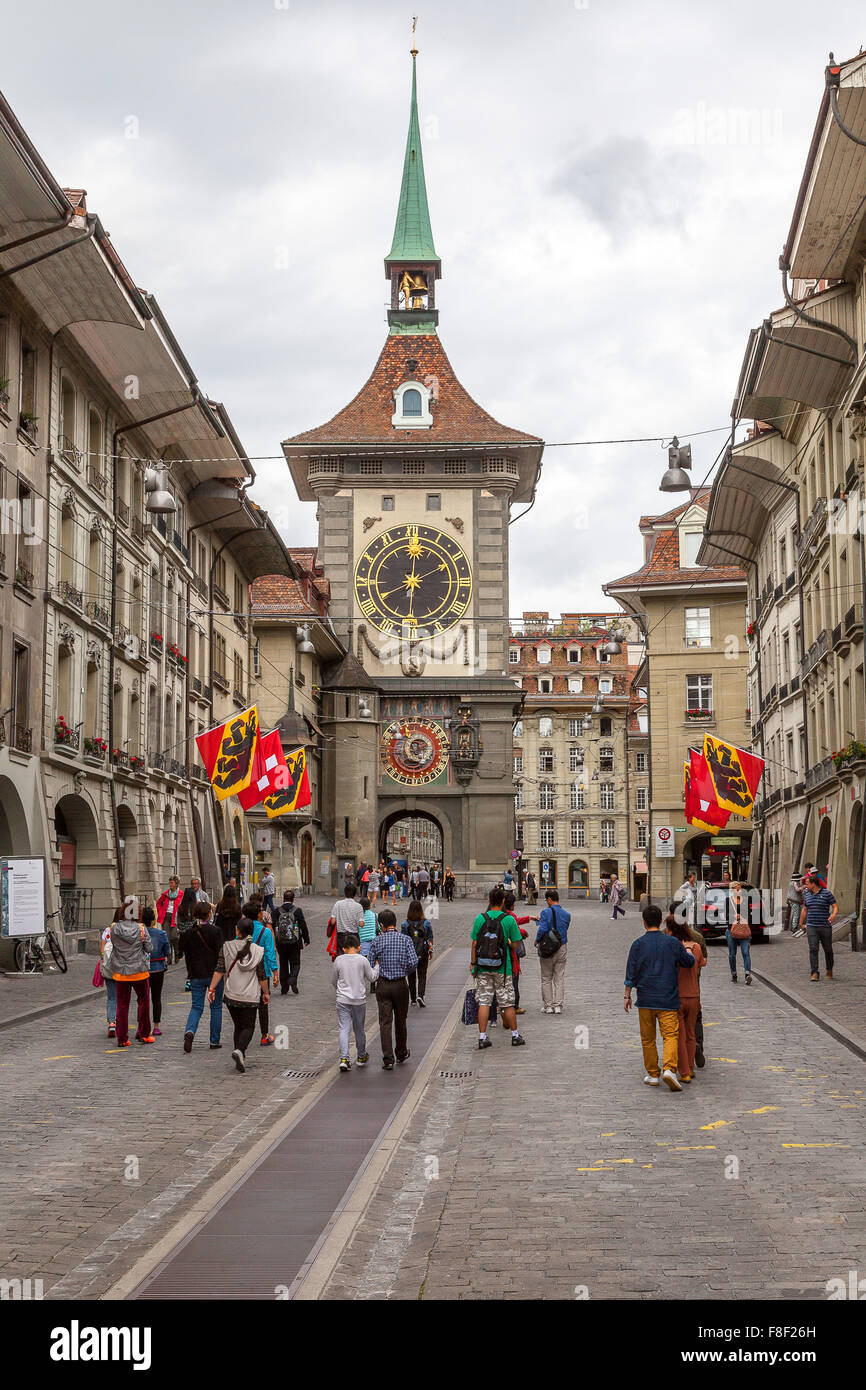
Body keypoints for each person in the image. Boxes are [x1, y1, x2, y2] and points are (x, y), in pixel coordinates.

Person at [623, 903, 695, 1091]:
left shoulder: (637, 944)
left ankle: (653, 1074)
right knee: (670, 1035)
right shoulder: (672, 943)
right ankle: (670, 1068)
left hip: (645, 998)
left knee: (648, 1038)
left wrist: (627, 995)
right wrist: (687, 950)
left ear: (644, 922)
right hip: (667, 998)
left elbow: (631, 972)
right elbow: (688, 963)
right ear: (661, 920)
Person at [208, 917, 270, 1073]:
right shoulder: (257, 950)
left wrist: (212, 988)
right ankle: (240, 1051)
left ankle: (240, 1053)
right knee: (249, 1026)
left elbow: (219, 969)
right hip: (250, 995)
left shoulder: (227, 947)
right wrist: (266, 992)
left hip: (231, 994)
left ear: (238, 931)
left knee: (238, 1025)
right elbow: (261, 975)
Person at [470, 886, 526, 1050]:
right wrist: (508, 942)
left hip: (482, 966)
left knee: (484, 1002)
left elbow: (474, 944)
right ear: (502, 901)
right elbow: (515, 944)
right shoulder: (508, 920)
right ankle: (515, 1036)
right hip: (503, 968)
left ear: (488, 901)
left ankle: (482, 1038)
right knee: (507, 1003)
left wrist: (473, 965)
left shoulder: (480, 918)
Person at [367, 909, 418, 1070]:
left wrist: (379, 967)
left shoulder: (377, 941)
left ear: (381, 925)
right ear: (395, 923)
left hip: (383, 984)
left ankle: (388, 1058)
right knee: (401, 1020)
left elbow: (370, 962)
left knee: (385, 1022)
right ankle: (401, 1052)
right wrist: (404, 970)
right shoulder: (406, 939)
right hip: (400, 984)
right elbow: (414, 961)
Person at [110, 896, 155, 1047]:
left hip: (121, 972)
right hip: (139, 971)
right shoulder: (141, 929)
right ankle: (144, 1034)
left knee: (122, 1005)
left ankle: (122, 1038)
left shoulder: (114, 928)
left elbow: (115, 945)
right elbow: (149, 948)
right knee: (143, 1001)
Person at [180, 901, 224, 1051]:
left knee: (196, 1007)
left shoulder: (188, 933)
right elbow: (220, 953)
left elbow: (182, 951)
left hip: (195, 974)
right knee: (216, 1007)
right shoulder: (215, 931)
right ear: (208, 914)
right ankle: (214, 1040)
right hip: (214, 974)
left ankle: (189, 1032)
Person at [666, 913, 704, 1082]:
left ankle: (684, 1072)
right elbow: (702, 963)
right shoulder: (696, 946)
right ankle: (691, 1067)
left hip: (678, 996)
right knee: (690, 1034)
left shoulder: (674, 947)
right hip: (694, 995)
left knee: (679, 1036)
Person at [332, 932, 379, 1071]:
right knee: (359, 1029)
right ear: (358, 947)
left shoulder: (339, 960)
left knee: (343, 1028)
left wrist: (339, 990)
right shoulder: (362, 960)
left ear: (344, 948)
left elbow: (333, 980)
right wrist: (377, 966)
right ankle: (361, 1055)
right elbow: (372, 978)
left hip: (342, 999)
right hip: (359, 1000)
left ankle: (344, 1058)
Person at [244, 899, 279, 1043]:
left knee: (247, 1002)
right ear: (259, 914)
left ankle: (245, 1031)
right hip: (262, 971)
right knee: (263, 1001)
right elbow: (270, 954)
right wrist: (275, 972)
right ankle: (264, 1035)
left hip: (245, 969)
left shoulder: (242, 929)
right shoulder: (265, 931)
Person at [535, 887, 571, 1014]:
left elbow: (542, 929)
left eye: (546, 900)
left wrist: (537, 940)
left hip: (547, 948)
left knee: (546, 977)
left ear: (549, 899)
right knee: (559, 977)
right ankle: (558, 1006)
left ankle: (548, 1006)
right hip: (561, 946)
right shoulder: (567, 914)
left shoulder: (545, 912)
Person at [800, 872, 838, 982]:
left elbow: (835, 906)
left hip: (825, 926)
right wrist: (801, 923)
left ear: (813, 884)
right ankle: (814, 972)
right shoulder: (807, 894)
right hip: (811, 926)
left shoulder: (827, 894)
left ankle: (829, 969)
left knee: (828, 949)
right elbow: (805, 909)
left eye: (807, 884)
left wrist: (834, 914)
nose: (806, 886)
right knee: (813, 949)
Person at [274, 890, 310, 994]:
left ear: (283, 899)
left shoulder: (277, 911)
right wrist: (306, 939)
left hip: (281, 942)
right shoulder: (297, 911)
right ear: (293, 900)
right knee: (295, 963)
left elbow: (272, 926)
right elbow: (303, 925)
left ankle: (284, 987)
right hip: (295, 941)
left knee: (283, 963)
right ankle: (292, 979)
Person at [502, 890, 530, 1015]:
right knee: (514, 979)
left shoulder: (499, 914)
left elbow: (516, 921)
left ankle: (499, 1006)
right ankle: (514, 1006)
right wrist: (524, 933)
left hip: (498, 953)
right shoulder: (510, 916)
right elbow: (517, 933)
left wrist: (529, 918)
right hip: (511, 953)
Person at [402, 899, 434, 1007]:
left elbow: (403, 940)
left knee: (411, 976)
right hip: (423, 952)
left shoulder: (405, 924)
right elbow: (430, 938)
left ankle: (413, 999)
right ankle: (421, 995)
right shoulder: (426, 923)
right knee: (422, 975)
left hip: (410, 953)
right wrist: (430, 951)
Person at [144, 905, 170, 1038]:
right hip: (158, 968)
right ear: (153, 920)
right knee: (156, 998)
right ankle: (156, 1026)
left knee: (142, 999)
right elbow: (167, 951)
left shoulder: (139, 933)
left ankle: (142, 1026)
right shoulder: (161, 934)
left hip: (143, 969)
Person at [100, 910, 120, 1039]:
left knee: (112, 997)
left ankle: (112, 1022)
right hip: (123, 969)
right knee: (123, 998)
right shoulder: (126, 931)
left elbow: (101, 951)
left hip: (109, 969)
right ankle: (122, 1023)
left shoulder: (107, 931)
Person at [727, 886, 753, 985]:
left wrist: (745, 918)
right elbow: (726, 915)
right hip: (731, 930)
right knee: (732, 954)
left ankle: (747, 974)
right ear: (732, 890)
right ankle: (734, 974)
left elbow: (751, 914)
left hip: (744, 930)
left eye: (740, 889)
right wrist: (734, 916)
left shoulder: (746, 900)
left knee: (746, 952)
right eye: (737, 889)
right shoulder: (728, 901)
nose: (740, 891)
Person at [156, 875, 183, 963]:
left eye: (172, 882)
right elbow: (158, 903)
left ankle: (177, 953)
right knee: (167, 937)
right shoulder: (166, 893)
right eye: (169, 882)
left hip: (175, 917)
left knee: (174, 936)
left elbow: (183, 906)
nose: (170, 884)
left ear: (176, 884)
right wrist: (160, 912)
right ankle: (169, 958)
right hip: (166, 917)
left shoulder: (181, 894)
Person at [332, 883, 364, 953]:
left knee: (342, 957)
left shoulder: (338, 904)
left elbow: (333, 922)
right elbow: (361, 924)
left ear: (345, 893)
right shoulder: (358, 906)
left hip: (341, 936)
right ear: (355, 894)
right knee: (354, 958)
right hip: (354, 935)